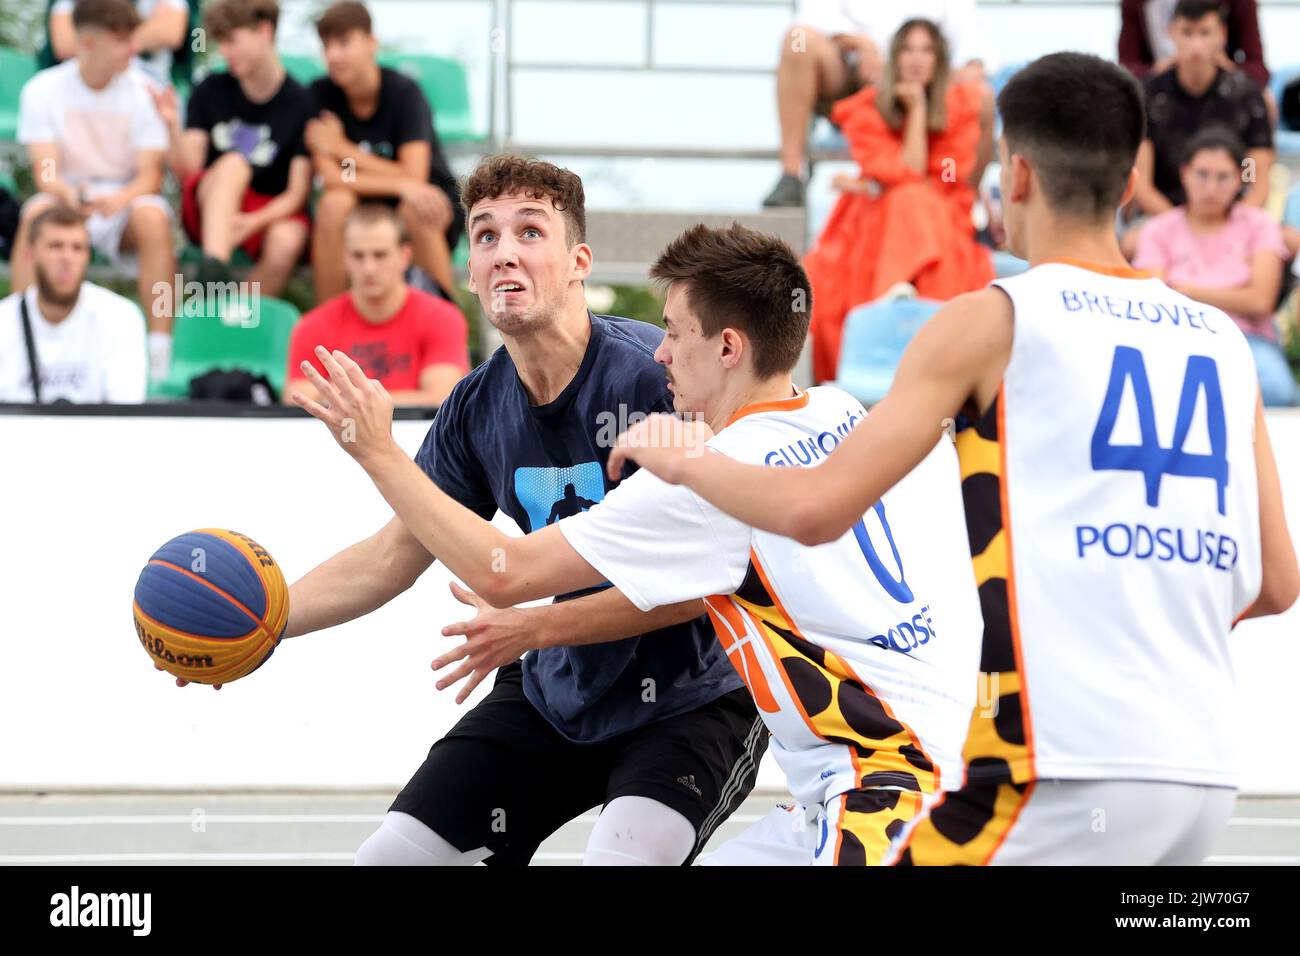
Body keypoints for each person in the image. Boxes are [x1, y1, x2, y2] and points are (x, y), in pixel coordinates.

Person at [608, 53, 1300, 865]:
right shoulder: (1221, 340)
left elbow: (814, 509)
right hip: (1201, 769)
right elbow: (1277, 583)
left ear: (1016, 172)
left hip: (1060, 768)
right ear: (1131, 176)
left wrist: (682, 460)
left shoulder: (993, 318)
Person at [292, 221, 985, 867]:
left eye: (674, 331)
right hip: (937, 762)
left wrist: (379, 451)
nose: (660, 352)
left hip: (884, 789)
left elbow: (504, 572)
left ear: (727, 347)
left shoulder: (705, 485)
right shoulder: (838, 410)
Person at [172, 156, 767, 868]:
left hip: (690, 696)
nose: (505, 251)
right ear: (469, 268)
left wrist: (380, 453)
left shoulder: (659, 377)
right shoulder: (476, 408)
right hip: (558, 683)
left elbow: (709, 581)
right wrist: (262, 621)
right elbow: (393, 554)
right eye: (485, 235)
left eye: (530, 232)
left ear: (579, 261)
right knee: (388, 863)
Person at [804, 18, 993, 383]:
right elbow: (908, 172)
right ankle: (893, 313)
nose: (917, 59)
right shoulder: (868, 108)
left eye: (926, 50)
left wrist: (920, 113)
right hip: (877, 223)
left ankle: (894, 311)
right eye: (907, 49)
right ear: (895, 57)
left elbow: (942, 179)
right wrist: (917, 112)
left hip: (938, 218)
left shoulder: (959, 106)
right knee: (907, 198)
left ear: (939, 59)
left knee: (912, 201)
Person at [13, 0, 176, 384]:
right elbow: (46, 169)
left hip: (126, 202)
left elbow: (150, 176)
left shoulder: (145, 90)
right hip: (66, 199)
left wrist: (118, 200)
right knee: (35, 216)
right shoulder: (43, 90)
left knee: (153, 217)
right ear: (88, 42)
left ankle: (159, 352)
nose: (133, 49)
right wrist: (70, 195)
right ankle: (18, 340)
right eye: (121, 40)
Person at [151, 0, 312, 297]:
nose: (225, 53)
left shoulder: (301, 102)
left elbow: (297, 193)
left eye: (232, 41)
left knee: (288, 240)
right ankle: (214, 271)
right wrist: (172, 127)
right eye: (220, 43)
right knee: (234, 164)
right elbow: (189, 172)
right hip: (211, 204)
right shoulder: (210, 89)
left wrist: (253, 222)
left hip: (265, 210)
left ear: (264, 32)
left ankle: (234, 319)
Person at [764, 0, 993, 207]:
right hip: (854, 80)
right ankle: (791, 175)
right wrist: (857, 42)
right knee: (797, 39)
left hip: (929, 89)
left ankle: (962, 201)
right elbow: (811, 14)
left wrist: (963, 68)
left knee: (979, 92)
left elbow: (968, 39)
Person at [305, 1, 463, 301]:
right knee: (333, 204)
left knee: (416, 206)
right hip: (362, 202)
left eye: (343, 42)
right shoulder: (320, 94)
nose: (333, 55)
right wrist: (401, 182)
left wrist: (343, 149)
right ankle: (325, 337)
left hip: (426, 205)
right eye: (326, 46)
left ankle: (449, 333)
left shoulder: (404, 92)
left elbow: (415, 175)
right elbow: (333, 178)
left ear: (371, 43)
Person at [1135, 129, 1294, 406]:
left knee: (1278, 390)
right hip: (1177, 339)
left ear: (1239, 179)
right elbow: (1155, 301)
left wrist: (1187, 290)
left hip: (1248, 340)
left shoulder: (1259, 224)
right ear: (1185, 173)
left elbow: (1260, 300)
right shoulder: (1158, 229)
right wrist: (1232, 295)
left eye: (1223, 177)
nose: (1211, 188)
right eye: (1202, 174)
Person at [286, 203, 468, 407]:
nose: (369, 268)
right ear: (345, 257)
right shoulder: (312, 325)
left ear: (404, 256)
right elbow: (297, 399)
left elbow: (440, 399)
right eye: (358, 255)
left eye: (380, 255)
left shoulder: (442, 318)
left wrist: (345, 400)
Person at [1128, 0, 1273, 254]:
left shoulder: (1246, 96)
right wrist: (1182, 224)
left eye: (1204, 33)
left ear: (1221, 35)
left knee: (1279, 245)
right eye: (1188, 33)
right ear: (1172, 32)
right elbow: (1143, 182)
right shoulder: (1149, 95)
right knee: (1131, 243)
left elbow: (1253, 174)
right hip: (1168, 213)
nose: (1196, 45)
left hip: (1233, 214)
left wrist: (1236, 216)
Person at [0, 204, 145, 404]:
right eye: (55, 246)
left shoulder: (121, 317)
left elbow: (125, 413)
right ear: (30, 254)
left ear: (88, 256)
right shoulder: (4, 320)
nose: (67, 258)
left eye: (78, 248)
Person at [44, 0, 191, 88]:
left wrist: (101, 37)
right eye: (121, 39)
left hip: (149, 84)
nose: (131, 48)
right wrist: (148, 26)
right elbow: (64, 44)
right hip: (81, 86)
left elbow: (171, 34)